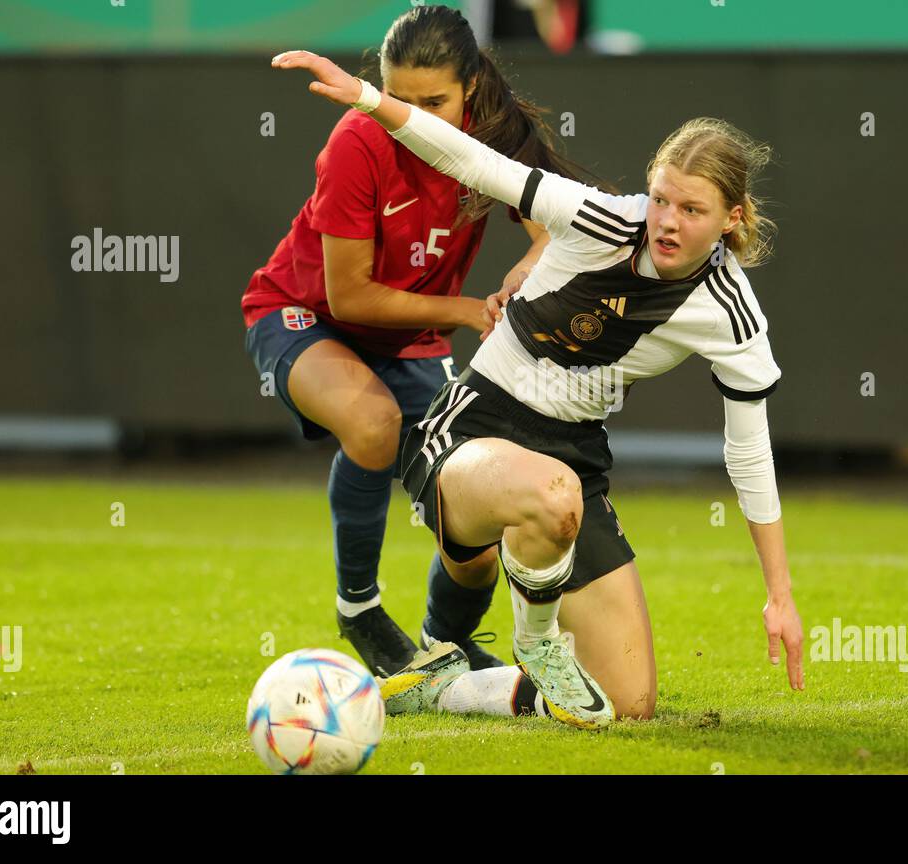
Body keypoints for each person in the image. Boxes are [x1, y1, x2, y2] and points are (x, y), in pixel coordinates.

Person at [272, 49, 806, 729]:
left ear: (732, 218)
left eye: (692, 210)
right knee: (549, 498)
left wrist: (779, 594)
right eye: (662, 199)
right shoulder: (602, 220)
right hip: (471, 431)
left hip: (571, 456)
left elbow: (750, 455)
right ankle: (536, 641)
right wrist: (372, 100)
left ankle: (445, 685)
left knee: (628, 705)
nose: (667, 221)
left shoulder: (731, 311)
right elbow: (478, 164)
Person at [243, 6, 590, 677]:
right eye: (398, 98)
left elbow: (555, 231)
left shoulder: (496, 130)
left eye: (434, 101)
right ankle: (360, 610)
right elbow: (351, 297)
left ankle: (445, 642)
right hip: (303, 316)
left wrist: (517, 282)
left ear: (470, 91)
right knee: (372, 423)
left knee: (473, 514)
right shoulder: (357, 142)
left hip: (411, 337)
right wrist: (466, 309)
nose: (415, 117)